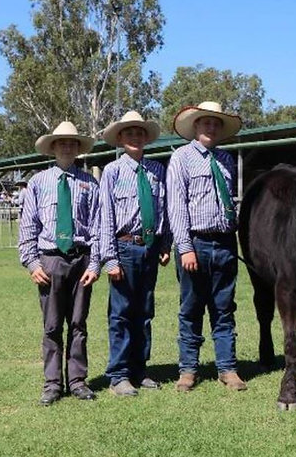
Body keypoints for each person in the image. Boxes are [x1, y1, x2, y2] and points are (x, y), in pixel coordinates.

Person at [18, 121, 101, 406]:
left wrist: (95, 264)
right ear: (53, 147)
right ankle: (52, 383)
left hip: (81, 260)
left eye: (72, 142)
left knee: (78, 324)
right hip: (50, 260)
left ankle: (77, 381)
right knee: (52, 326)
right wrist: (32, 263)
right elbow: (28, 226)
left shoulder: (89, 183)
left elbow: (98, 226)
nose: (67, 146)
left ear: (78, 148)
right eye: (61, 142)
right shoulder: (38, 183)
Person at [167, 101, 246, 392]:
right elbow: (176, 205)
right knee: (191, 307)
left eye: (216, 123)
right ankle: (188, 370)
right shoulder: (181, 158)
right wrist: (185, 247)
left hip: (225, 242)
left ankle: (227, 369)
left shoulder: (226, 159)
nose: (211, 127)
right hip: (196, 243)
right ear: (196, 126)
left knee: (224, 308)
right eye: (206, 122)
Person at [98, 111, 171, 397]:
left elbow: (164, 210)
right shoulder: (112, 171)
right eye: (129, 133)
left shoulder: (157, 170)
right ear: (120, 138)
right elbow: (106, 217)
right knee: (121, 313)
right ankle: (119, 375)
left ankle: (140, 369)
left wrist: (164, 245)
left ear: (146, 138)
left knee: (145, 311)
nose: (135, 137)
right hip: (125, 247)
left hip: (150, 248)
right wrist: (110, 258)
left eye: (139, 133)